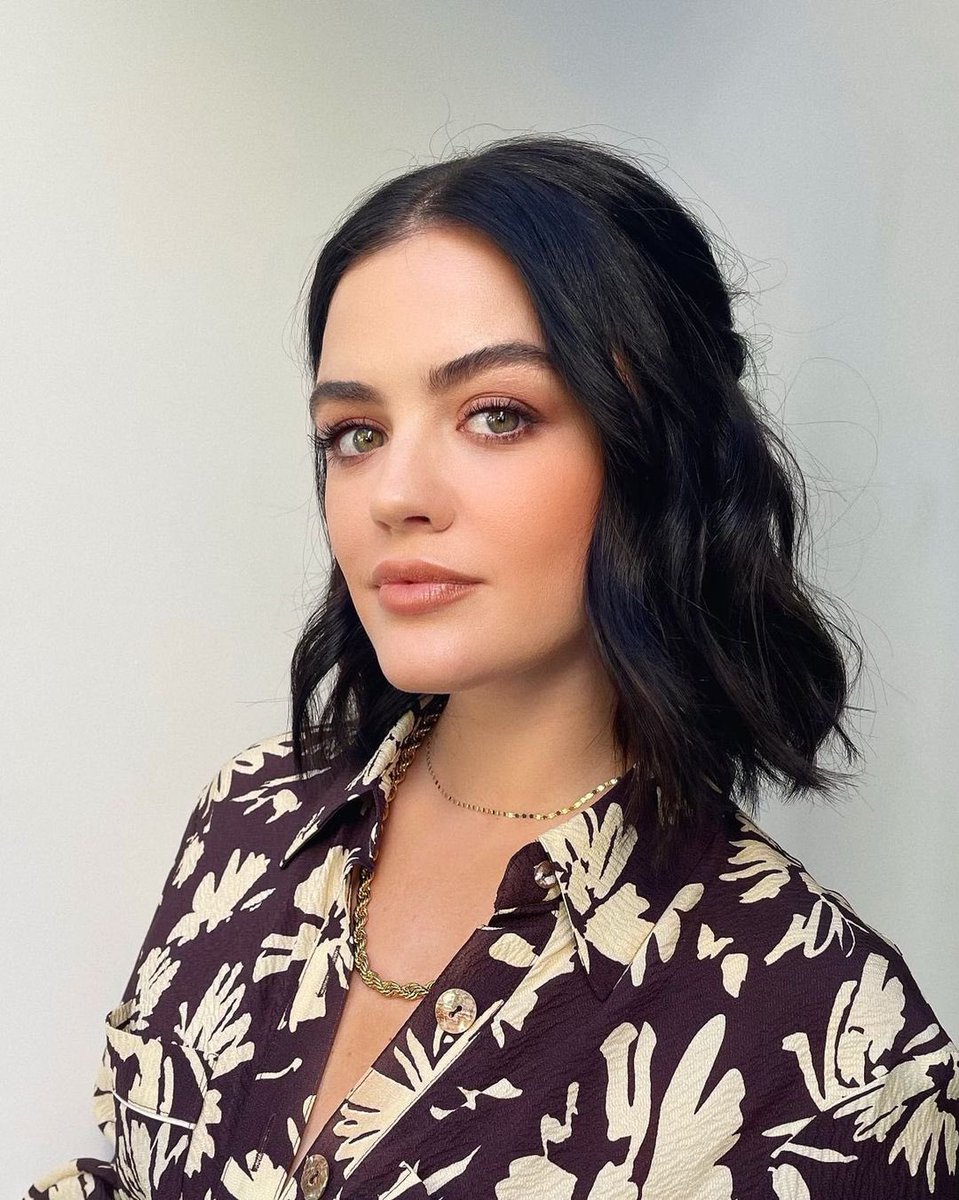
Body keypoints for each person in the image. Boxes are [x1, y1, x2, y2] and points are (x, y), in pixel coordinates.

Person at [25, 134, 958, 1200]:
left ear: (657, 451)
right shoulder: (248, 822)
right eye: (354, 432)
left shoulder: (835, 1041)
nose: (393, 494)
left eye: (496, 415)